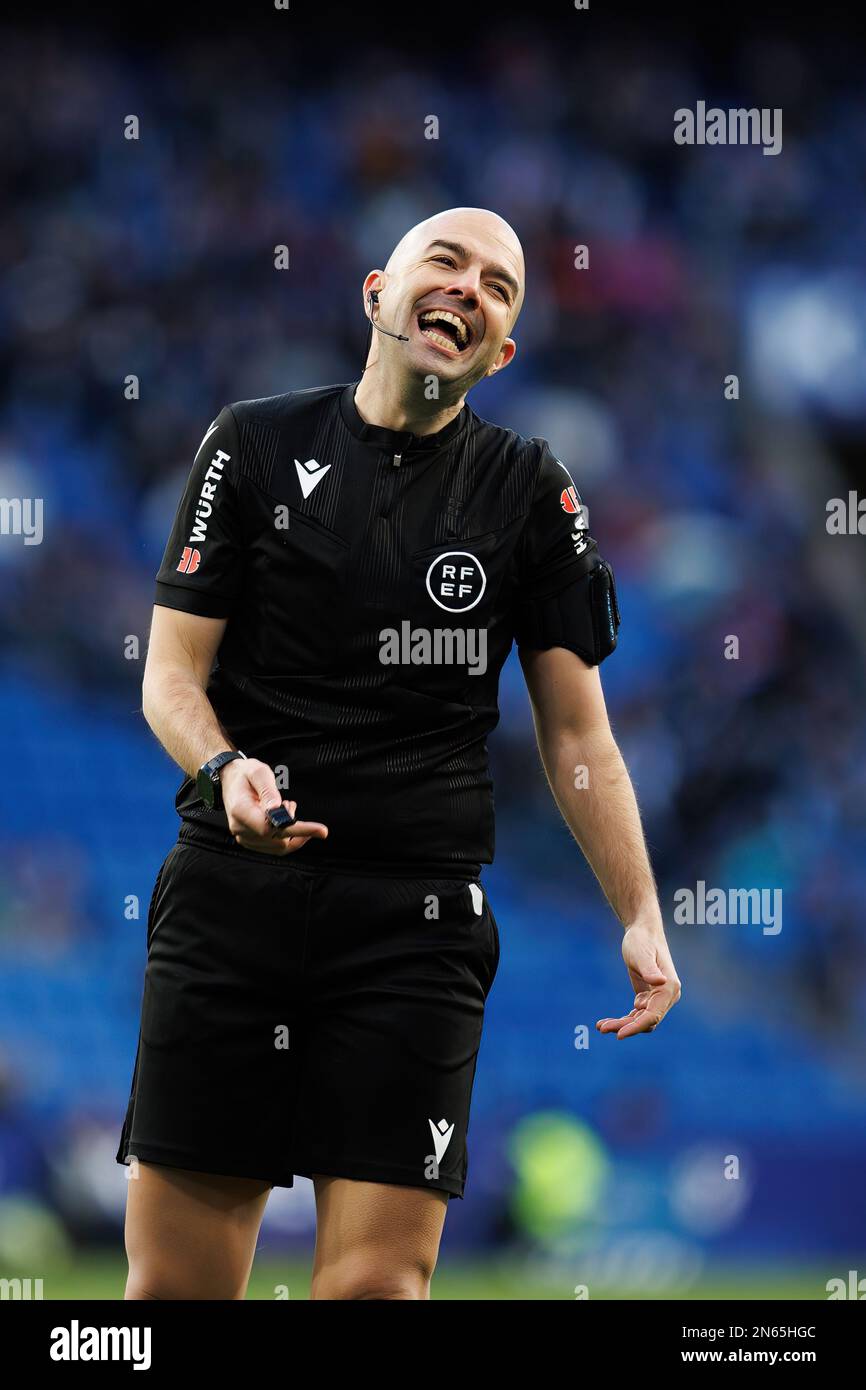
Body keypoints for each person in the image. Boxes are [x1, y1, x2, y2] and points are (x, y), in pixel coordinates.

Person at [116, 206, 681, 1301]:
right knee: (173, 1293)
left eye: (499, 285)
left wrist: (639, 906)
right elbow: (169, 675)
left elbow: (578, 735)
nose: (469, 287)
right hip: (233, 896)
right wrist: (219, 769)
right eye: (447, 262)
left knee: (376, 1288)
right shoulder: (250, 443)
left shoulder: (527, 490)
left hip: (414, 924)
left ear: (501, 351)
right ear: (377, 291)